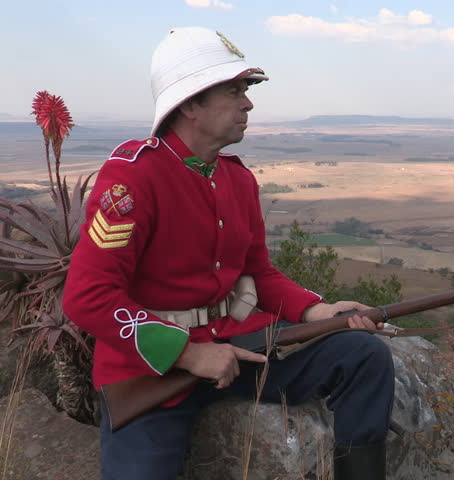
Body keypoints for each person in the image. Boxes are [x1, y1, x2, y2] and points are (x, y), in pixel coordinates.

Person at [62, 27, 394, 480]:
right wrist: (188, 354)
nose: (248, 103)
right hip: (152, 372)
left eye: (245, 90)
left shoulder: (237, 180)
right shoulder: (133, 179)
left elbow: (257, 274)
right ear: (191, 105)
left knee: (361, 355)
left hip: (242, 348)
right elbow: (87, 297)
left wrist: (317, 311)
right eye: (234, 91)